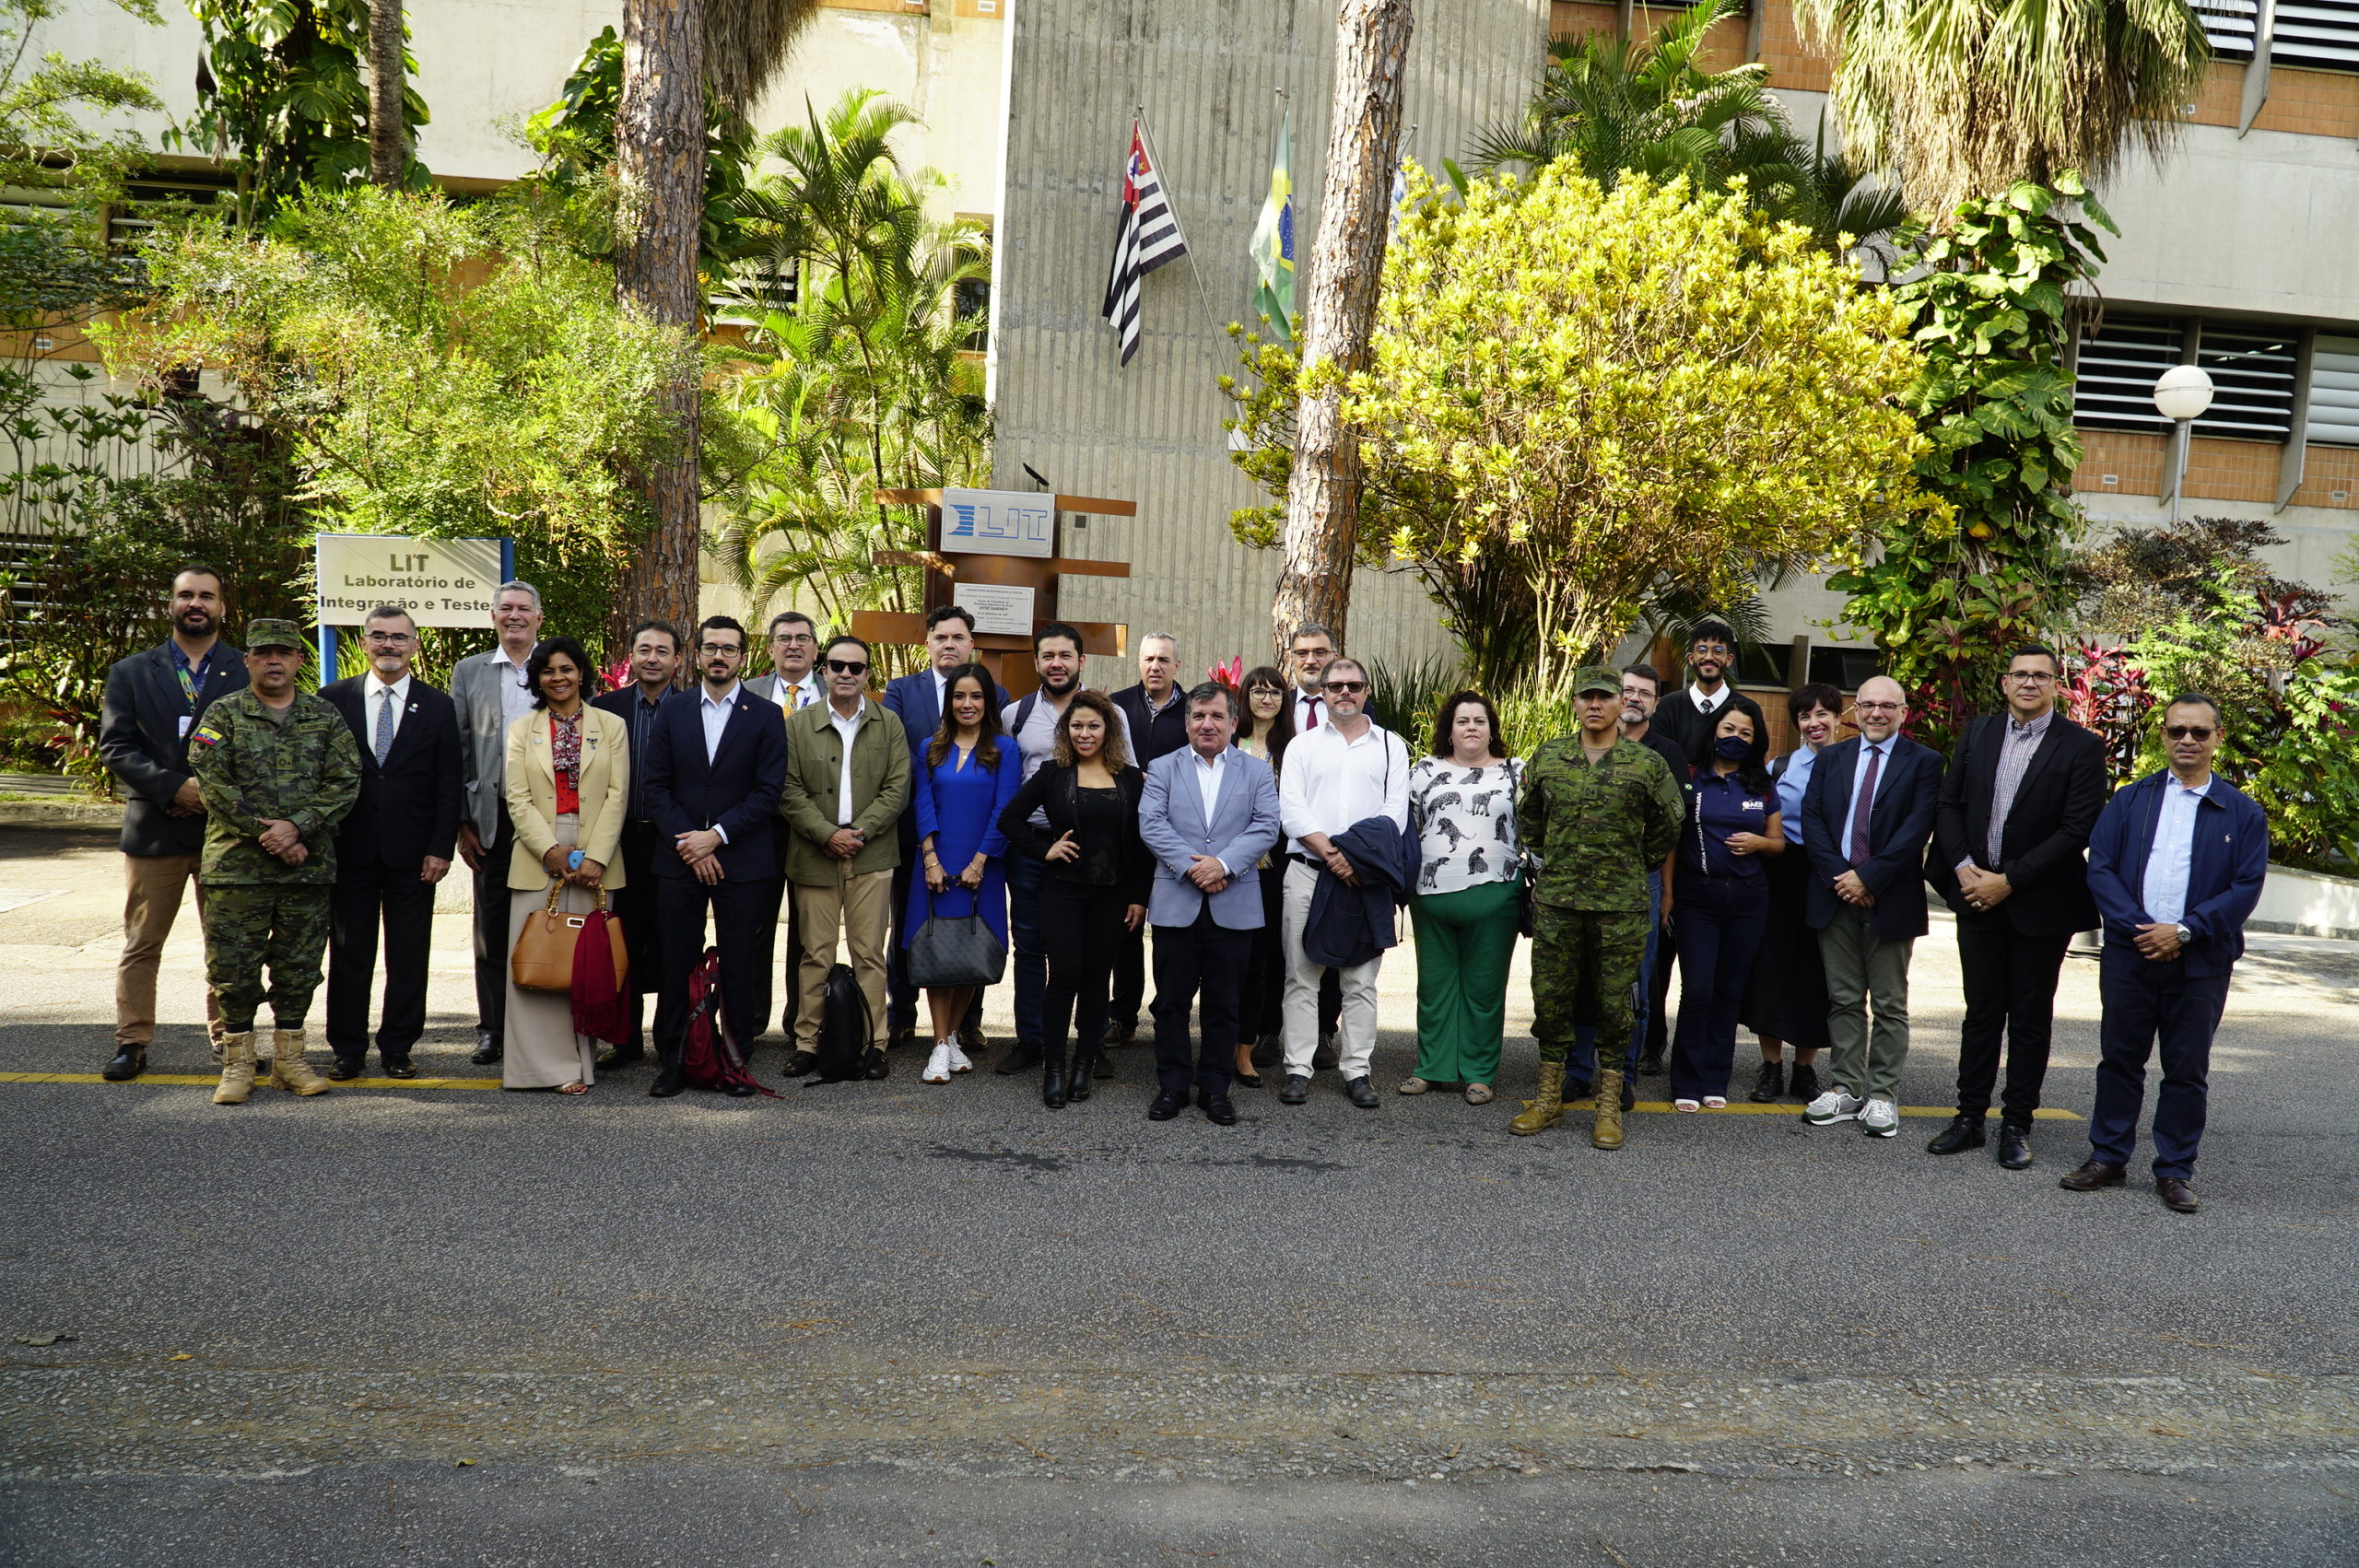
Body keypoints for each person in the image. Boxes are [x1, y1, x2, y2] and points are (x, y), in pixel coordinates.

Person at [2062, 695, 2267, 1214]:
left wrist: (2184, 931)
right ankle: (2108, 1157)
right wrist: (2139, 930)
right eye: (2177, 731)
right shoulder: (2130, 800)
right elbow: (2100, 868)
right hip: (2131, 955)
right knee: (2120, 1062)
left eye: (2199, 732)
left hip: (2201, 961)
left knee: (2186, 1069)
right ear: (2164, 736)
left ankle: (2175, 1170)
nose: (2188, 741)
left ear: (2217, 739)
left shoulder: (2241, 812)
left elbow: (2246, 886)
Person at [1925, 643, 2109, 1168]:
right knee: (1981, 1012)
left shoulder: (2080, 746)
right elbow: (1949, 803)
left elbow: (2077, 829)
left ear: (2056, 685)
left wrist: (2008, 881)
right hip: (1975, 896)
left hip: (2039, 904)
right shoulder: (1978, 733)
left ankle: (2016, 1125)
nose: (2029, 683)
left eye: (2040, 676)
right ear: (2005, 683)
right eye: (2020, 675)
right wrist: (1963, 867)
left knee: (2029, 1018)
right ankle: (1968, 1119)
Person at [187, 619, 361, 1105]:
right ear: (248, 661)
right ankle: (238, 1064)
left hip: (306, 871)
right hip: (237, 871)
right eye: (263, 653)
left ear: (299, 660)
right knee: (233, 970)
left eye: (284, 652)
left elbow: (345, 782)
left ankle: (289, 1060)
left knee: (298, 968)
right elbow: (212, 783)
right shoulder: (223, 715)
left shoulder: (324, 717)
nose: (274, 661)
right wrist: (273, 835)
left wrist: (299, 827)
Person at [1514, 667, 1684, 1149]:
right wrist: (1560, 861)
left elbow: (1667, 827)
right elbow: (1529, 818)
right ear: (1574, 703)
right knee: (1551, 1001)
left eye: (1604, 697)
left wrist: (1628, 864)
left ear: (1619, 705)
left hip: (1620, 907)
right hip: (1558, 903)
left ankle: (1608, 1106)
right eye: (1586, 697)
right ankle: (1548, 1097)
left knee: (1615, 1006)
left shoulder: (1646, 764)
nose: (1595, 705)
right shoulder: (1549, 757)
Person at [97, 564, 249, 1081]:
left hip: (224, 830)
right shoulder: (132, 671)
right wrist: (174, 787)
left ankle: (229, 1039)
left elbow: (258, 749)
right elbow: (115, 746)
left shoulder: (244, 668)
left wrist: (211, 795)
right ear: (171, 605)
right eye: (187, 595)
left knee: (226, 943)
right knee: (142, 942)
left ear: (223, 607)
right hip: (155, 827)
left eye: (207, 596)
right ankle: (132, 1041)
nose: (197, 604)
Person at [641, 616, 788, 1100]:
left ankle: (735, 1058)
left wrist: (717, 837)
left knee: (741, 964)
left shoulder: (765, 715)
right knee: (676, 963)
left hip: (742, 860)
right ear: (698, 655)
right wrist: (692, 842)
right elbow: (655, 786)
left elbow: (768, 793)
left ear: (744, 657)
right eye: (711, 648)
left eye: (729, 649)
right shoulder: (674, 710)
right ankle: (675, 1060)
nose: (719, 656)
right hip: (679, 858)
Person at [320, 605, 463, 1080]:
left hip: (414, 855)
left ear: (414, 645)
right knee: (349, 952)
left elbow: (449, 784)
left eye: (399, 637)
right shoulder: (332, 699)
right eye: (379, 636)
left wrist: (441, 848)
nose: (389, 645)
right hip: (348, 850)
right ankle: (347, 1048)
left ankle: (398, 1047)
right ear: (364, 643)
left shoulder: (439, 706)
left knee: (408, 955)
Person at [1800, 675, 1942, 1139]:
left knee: (1888, 1002)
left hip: (1890, 896)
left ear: (1903, 712)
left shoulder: (1924, 762)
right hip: (1835, 893)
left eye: (1887, 706)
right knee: (1842, 999)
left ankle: (1882, 1095)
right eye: (1868, 705)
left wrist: (1868, 877)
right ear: (1855, 711)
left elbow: (1916, 828)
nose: (1876, 713)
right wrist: (1844, 879)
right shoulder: (1833, 758)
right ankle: (1844, 1087)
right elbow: (1813, 820)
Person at [996, 691, 1151, 1108]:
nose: (1085, 733)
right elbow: (1009, 819)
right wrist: (1043, 848)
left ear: (1109, 730)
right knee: (1063, 976)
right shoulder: (1053, 773)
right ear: (1066, 731)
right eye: (1077, 726)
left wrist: (1139, 897)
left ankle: (1084, 1064)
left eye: (1093, 725)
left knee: (1097, 977)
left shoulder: (1130, 778)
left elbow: (1141, 844)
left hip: (1113, 895)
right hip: (1063, 891)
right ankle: (1055, 1067)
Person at [1137, 681, 1281, 1125]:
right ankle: (1173, 1085)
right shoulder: (1163, 768)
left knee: (1225, 1002)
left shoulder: (1256, 771)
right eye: (1198, 716)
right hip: (1177, 902)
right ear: (1186, 723)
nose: (1207, 724)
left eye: (1217, 716)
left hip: (1234, 902)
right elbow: (1151, 823)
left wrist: (1222, 864)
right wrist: (1193, 866)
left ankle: (1215, 1087)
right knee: (1172, 1001)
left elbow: (1267, 826)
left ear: (1233, 723)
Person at [1275, 656, 1409, 1110]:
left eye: (1353, 685)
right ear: (1324, 694)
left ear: (1366, 691)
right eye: (1335, 687)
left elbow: (1395, 815)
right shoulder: (1302, 746)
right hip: (1309, 873)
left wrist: (1353, 860)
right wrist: (1333, 854)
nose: (1344, 693)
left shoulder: (1391, 746)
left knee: (1360, 982)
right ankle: (1297, 1068)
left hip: (1364, 881)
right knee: (1300, 978)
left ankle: (1357, 1071)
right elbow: (1291, 810)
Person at [499, 636, 627, 1094]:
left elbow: (617, 795)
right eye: (549, 671)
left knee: (584, 964)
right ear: (538, 679)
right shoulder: (521, 730)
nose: (558, 678)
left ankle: (579, 1065)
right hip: (539, 854)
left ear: (581, 674)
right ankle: (539, 1070)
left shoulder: (610, 725)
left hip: (597, 853)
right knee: (538, 960)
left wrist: (596, 856)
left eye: (567, 669)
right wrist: (549, 850)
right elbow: (517, 797)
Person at [780, 636, 911, 1081]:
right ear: (824, 670)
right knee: (815, 954)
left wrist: (859, 833)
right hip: (814, 856)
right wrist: (827, 834)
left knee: (869, 954)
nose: (846, 674)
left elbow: (897, 788)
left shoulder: (889, 723)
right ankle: (808, 1044)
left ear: (868, 674)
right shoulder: (798, 725)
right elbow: (788, 790)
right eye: (838, 665)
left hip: (872, 856)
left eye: (856, 667)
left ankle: (874, 1045)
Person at [1401, 691, 1523, 1106]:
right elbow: (1409, 830)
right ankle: (1430, 1068)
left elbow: (1534, 831)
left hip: (1495, 895)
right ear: (1448, 731)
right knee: (1433, 987)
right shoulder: (1424, 770)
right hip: (1431, 897)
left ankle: (1479, 1074)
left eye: (1479, 720)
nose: (1471, 727)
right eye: (1462, 721)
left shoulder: (1515, 773)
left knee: (1484, 990)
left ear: (1492, 729)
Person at [884, 606, 997, 1052]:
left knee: (972, 926)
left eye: (958, 637)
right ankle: (902, 1015)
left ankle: (969, 1022)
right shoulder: (901, 690)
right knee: (910, 926)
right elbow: (897, 757)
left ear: (972, 644)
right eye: (940, 637)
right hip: (912, 834)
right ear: (927, 643)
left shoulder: (995, 693)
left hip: (970, 836)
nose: (949, 644)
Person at [906, 662, 1023, 1084]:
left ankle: (952, 1036)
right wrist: (930, 858)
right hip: (936, 864)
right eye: (959, 696)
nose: (967, 704)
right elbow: (922, 803)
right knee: (937, 950)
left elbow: (1004, 809)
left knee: (971, 952)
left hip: (984, 866)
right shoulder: (929, 747)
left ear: (987, 702)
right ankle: (939, 1045)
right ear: (949, 701)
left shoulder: (1004, 750)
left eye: (976, 696)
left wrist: (980, 861)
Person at [1572, 662, 1684, 1098]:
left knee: (1632, 984)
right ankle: (1577, 1071)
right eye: (1628, 689)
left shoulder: (1659, 756)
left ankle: (1623, 1078)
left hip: (1636, 885)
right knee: (1581, 983)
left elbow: (1669, 826)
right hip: (1575, 886)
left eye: (1641, 693)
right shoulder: (1561, 753)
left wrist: (1645, 870)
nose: (1632, 699)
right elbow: (1537, 821)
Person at [1665, 706, 1783, 1111]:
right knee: (1697, 989)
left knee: (1729, 992)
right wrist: (1667, 894)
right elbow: (1670, 840)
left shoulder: (1762, 784)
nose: (1736, 736)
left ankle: (1716, 1078)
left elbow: (1778, 841)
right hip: (1697, 896)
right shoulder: (1692, 778)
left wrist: (1759, 845)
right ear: (1713, 732)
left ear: (1756, 741)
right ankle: (1685, 1080)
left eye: (1746, 733)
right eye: (1729, 728)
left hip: (1749, 897)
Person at [451, 580, 546, 1067]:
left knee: (545, 924)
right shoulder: (468, 673)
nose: (514, 616)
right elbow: (460, 751)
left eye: (523, 609)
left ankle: (539, 1027)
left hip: (550, 821)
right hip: (491, 819)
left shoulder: (557, 667)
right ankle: (492, 1028)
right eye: (505, 609)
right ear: (493, 618)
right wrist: (462, 824)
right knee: (491, 927)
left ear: (538, 619)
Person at [1742, 684, 1845, 1104]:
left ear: (1839, 717)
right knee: (1772, 969)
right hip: (1783, 875)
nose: (1814, 723)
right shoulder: (1779, 768)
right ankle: (1771, 1067)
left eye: (1823, 714)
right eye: (1805, 716)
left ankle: (1806, 1070)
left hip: (1831, 877)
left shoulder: (1851, 764)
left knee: (1817, 975)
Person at [589, 618, 684, 1067]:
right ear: (632, 656)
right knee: (620, 940)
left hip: (672, 844)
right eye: (644, 650)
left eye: (662, 651)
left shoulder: (690, 709)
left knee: (672, 940)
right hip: (619, 842)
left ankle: (670, 1039)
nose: (652, 658)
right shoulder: (604, 709)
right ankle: (624, 1041)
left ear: (677, 660)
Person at [1108, 631, 1191, 1049]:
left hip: (1174, 836)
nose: (1155, 666)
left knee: (1169, 930)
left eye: (1163, 659)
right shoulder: (1116, 706)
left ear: (1178, 665)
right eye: (1148, 659)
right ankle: (1121, 1015)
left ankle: (1166, 1013)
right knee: (1127, 923)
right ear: (1138, 663)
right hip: (1123, 833)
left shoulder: (1193, 711)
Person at [745, 609, 823, 1042]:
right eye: (784, 638)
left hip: (815, 830)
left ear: (815, 648)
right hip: (760, 829)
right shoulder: (747, 692)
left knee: (809, 931)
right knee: (757, 926)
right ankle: (752, 1020)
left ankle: (802, 1023)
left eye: (802, 638)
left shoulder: (840, 691)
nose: (794, 645)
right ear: (771, 647)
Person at [1282, 624, 1346, 1069]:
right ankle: (1271, 1030)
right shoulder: (1270, 701)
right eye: (1302, 652)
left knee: (1336, 947)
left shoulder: (1357, 708)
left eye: (1319, 652)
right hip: (1280, 849)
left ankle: (1324, 1032)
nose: (1311, 660)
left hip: (1342, 854)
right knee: (1281, 947)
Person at [1232, 665, 1297, 1083]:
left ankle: (1262, 1033)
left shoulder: (1292, 747)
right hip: (1228, 857)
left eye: (1275, 692)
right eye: (1258, 691)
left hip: (1276, 861)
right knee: (1231, 951)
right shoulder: (1228, 741)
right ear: (1245, 698)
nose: (1266, 699)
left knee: (1268, 950)